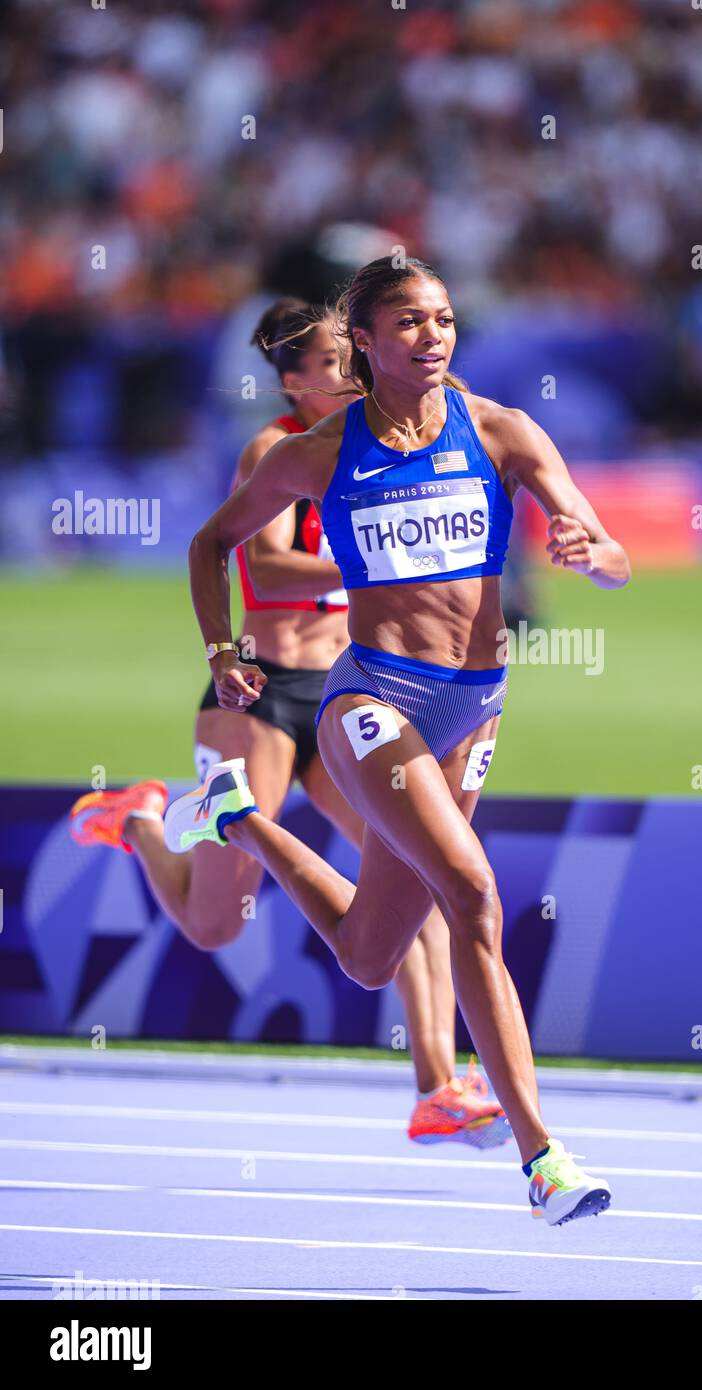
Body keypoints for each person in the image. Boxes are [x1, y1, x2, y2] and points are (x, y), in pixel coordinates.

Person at [165, 256, 631, 1225]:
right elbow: (212, 543)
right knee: (471, 895)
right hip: (372, 699)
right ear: (365, 341)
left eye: (444, 319)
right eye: (410, 321)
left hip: (477, 706)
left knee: (369, 953)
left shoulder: (500, 430)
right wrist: (221, 647)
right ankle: (543, 1161)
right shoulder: (318, 452)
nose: (432, 335)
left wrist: (592, 553)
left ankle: (236, 819)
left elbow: (612, 555)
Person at [70, 299, 509, 1150]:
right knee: (215, 924)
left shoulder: (384, 446)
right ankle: (143, 820)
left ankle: (437, 1085)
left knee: (417, 873)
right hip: (262, 696)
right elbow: (263, 566)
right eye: (333, 365)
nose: (352, 376)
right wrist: (384, 558)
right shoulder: (276, 451)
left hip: (350, 697)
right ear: (292, 382)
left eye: (355, 360)